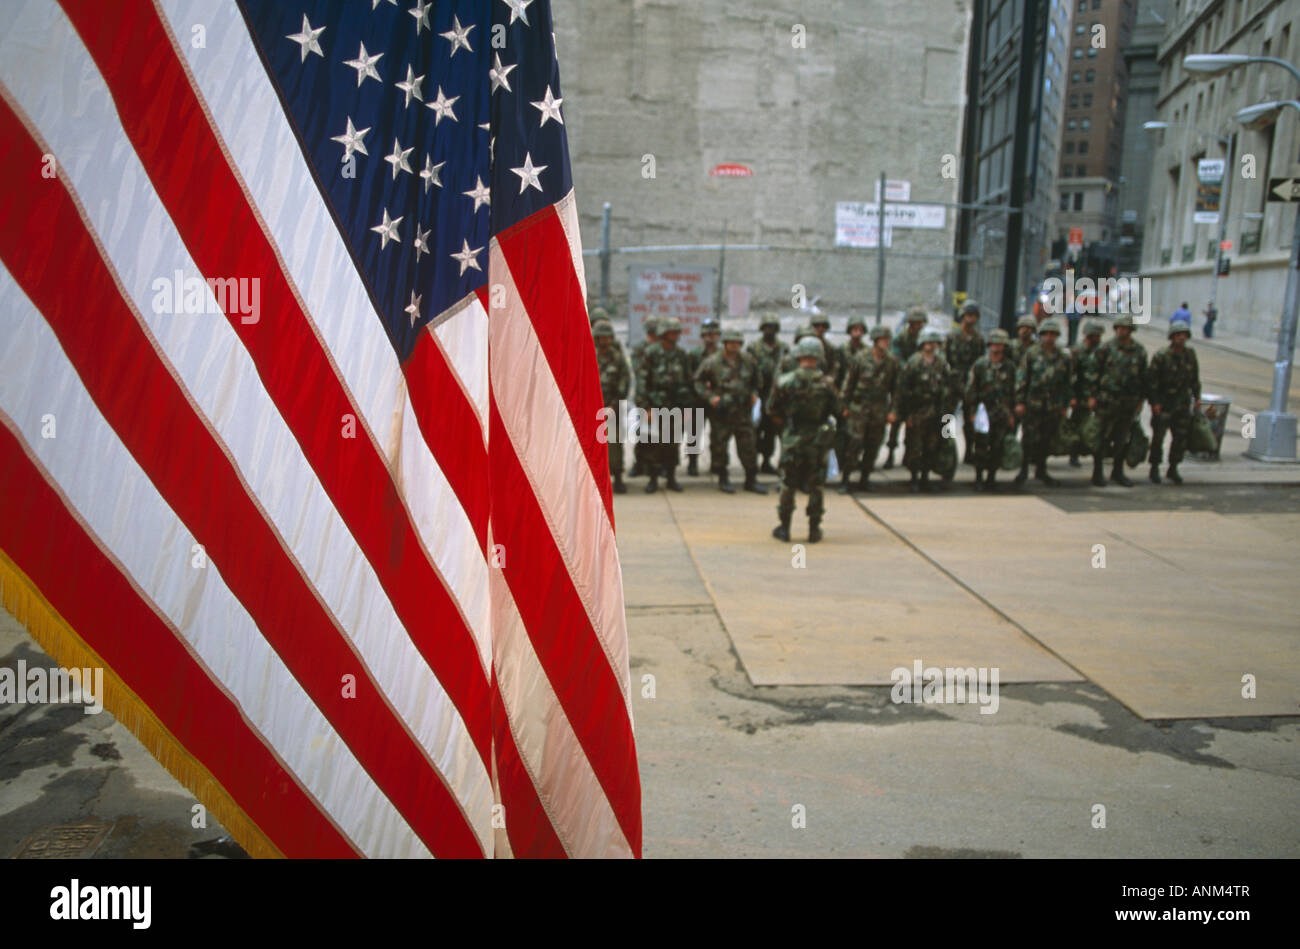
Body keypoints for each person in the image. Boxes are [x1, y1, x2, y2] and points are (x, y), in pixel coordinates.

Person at [768, 338, 840, 543]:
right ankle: (814, 529)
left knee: (788, 484)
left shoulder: (784, 381)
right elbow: (838, 409)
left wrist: (787, 425)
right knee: (816, 485)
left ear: (799, 356)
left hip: (792, 437)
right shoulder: (827, 384)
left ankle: (784, 527)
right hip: (817, 440)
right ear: (818, 357)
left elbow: (771, 409)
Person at [694, 328, 768, 494]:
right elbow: (697, 381)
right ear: (725, 343)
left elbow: (758, 381)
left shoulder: (749, 361)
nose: (734, 346)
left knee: (748, 446)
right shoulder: (712, 362)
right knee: (719, 446)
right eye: (731, 342)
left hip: (743, 411)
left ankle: (751, 479)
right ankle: (723, 478)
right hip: (722, 412)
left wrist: (754, 394)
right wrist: (710, 397)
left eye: (737, 343)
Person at [1088, 313, 1148, 487]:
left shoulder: (1139, 351)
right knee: (1101, 437)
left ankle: (1117, 471)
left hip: (1128, 402)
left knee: (1122, 438)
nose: (1122, 331)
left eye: (1126, 329)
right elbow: (1094, 373)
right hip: (1107, 400)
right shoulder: (1106, 348)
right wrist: (1092, 396)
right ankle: (1097, 471)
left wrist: (1141, 400)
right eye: (1120, 328)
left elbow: (1144, 377)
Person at [1014, 318, 1075, 487]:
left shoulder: (1063, 356)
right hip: (1033, 403)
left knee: (1047, 439)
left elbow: (1067, 383)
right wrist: (1020, 401)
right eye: (1046, 334)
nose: (1049, 337)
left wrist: (1065, 405)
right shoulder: (1032, 354)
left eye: (1052, 334)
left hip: (1053, 406)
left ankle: (1041, 469)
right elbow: (1022, 379)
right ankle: (1023, 469)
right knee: (1028, 438)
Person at [636, 316, 694, 493]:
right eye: (671, 332)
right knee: (654, 444)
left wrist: (687, 409)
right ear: (663, 334)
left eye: (677, 332)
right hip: (654, 406)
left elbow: (688, 382)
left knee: (672, 444)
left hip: (675, 407)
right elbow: (642, 381)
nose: (675, 335)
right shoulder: (651, 353)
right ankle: (653, 479)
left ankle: (671, 478)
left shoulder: (682, 355)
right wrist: (645, 407)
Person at [838, 324, 899, 493]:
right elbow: (848, 383)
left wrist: (893, 410)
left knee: (873, 445)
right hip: (859, 408)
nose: (887, 342)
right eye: (883, 339)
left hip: (879, 410)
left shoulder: (891, 361)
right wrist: (844, 405)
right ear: (875, 340)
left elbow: (896, 390)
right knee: (854, 445)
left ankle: (865, 479)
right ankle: (846, 480)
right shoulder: (860, 358)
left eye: (888, 339)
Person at [896, 327, 954, 493]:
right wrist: (907, 414)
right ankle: (914, 477)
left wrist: (946, 414)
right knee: (915, 446)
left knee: (932, 445)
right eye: (928, 342)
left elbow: (947, 388)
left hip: (936, 412)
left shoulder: (941, 363)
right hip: (917, 412)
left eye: (933, 343)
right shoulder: (914, 362)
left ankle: (925, 478)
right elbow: (904, 390)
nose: (930, 346)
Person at [1146, 319, 1201, 484]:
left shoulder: (1190, 355)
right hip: (1164, 404)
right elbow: (1152, 382)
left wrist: (1197, 397)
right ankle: (1154, 467)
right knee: (1158, 438)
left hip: (1182, 405)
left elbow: (1194, 379)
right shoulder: (1161, 356)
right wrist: (1154, 402)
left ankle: (1173, 467)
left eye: (1184, 335)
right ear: (1172, 337)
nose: (1181, 338)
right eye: (1178, 335)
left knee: (1180, 438)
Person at [965, 328, 1016, 492]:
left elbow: (1013, 391)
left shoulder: (1009, 367)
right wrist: (972, 412)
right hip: (983, 412)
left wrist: (1011, 413)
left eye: (1000, 344)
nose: (996, 347)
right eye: (994, 343)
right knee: (980, 446)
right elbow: (971, 389)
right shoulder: (980, 365)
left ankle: (991, 478)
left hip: (1001, 412)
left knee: (997, 446)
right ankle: (979, 478)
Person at [884, 306, 928, 468]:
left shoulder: (925, 338)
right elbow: (896, 358)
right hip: (901, 385)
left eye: (920, 322)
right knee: (895, 424)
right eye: (915, 322)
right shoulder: (900, 338)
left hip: (918, 388)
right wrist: (911, 369)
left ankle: (911, 458)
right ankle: (890, 454)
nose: (917, 325)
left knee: (914, 426)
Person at [745, 313, 788, 474]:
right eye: (767, 327)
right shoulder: (753, 347)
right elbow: (748, 370)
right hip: (758, 394)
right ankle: (752, 463)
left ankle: (766, 461)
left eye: (773, 327)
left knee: (771, 430)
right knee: (755, 430)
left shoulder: (783, 348)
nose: (770, 330)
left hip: (775, 395)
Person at [945, 302, 985, 464]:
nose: (971, 319)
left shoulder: (978, 339)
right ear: (962, 316)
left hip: (971, 383)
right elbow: (945, 359)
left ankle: (970, 450)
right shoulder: (952, 337)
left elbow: (981, 361)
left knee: (970, 418)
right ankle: (945, 448)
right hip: (953, 382)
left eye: (973, 316)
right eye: (968, 315)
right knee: (947, 416)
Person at [593, 319, 629, 494]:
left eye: (608, 338)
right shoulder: (589, 355)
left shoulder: (618, 358)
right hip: (593, 409)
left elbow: (625, 382)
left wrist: (613, 405)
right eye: (602, 338)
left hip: (613, 409)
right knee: (594, 446)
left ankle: (618, 477)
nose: (605, 341)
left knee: (614, 444)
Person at [1068, 319, 1106, 468]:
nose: (1095, 338)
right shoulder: (1077, 352)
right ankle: (1074, 453)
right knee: (1077, 425)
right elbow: (1071, 375)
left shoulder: (1102, 352)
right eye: (1092, 336)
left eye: (1097, 336)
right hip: (1080, 396)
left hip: (1098, 396)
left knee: (1097, 428)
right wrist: (1072, 396)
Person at [687, 318, 722, 476]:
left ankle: (717, 463)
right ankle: (693, 462)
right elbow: (689, 375)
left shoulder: (723, 353)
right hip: (698, 399)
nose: (710, 337)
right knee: (694, 432)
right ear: (703, 336)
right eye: (707, 334)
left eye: (713, 334)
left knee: (718, 433)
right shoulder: (695, 354)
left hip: (717, 399)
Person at [629, 316, 660, 478]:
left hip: (661, 398)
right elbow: (638, 371)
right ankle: (640, 463)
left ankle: (655, 465)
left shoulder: (662, 348)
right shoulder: (640, 348)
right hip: (644, 396)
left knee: (660, 435)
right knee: (643, 433)